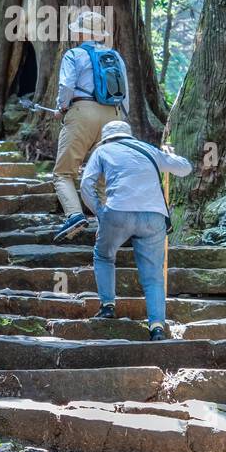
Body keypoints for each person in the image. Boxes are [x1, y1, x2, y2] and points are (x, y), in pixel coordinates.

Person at [80, 120, 192, 341]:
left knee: (103, 256)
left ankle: (108, 306)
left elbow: (86, 185)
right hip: (153, 217)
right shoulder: (148, 150)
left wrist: (100, 213)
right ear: (128, 135)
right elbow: (185, 168)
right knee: (153, 276)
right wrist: (168, 154)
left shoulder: (102, 151)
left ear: (107, 137)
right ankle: (157, 327)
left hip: (118, 212)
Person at [53, 10, 129, 242]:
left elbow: (66, 85)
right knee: (103, 173)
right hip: (113, 116)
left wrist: (61, 107)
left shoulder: (74, 54)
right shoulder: (115, 57)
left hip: (82, 112)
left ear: (80, 32)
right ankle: (108, 224)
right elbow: (125, 94)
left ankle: (75, 216)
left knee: (63, 172)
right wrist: (121, 122)